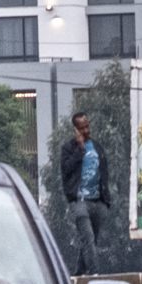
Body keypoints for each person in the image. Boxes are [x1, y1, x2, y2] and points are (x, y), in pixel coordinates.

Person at [53, 112, 106, 275]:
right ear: (75, 129)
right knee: (88, 237)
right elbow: (66, 169)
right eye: (81, 128)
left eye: (87, 126)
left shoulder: (97, 147)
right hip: (80, 200)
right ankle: (94, 274)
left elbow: (104, 171)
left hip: (97, 200)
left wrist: (106, 199)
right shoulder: (68, 148)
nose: (85, 130)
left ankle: (77, 275)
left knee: (91, 240)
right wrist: (80, 149)